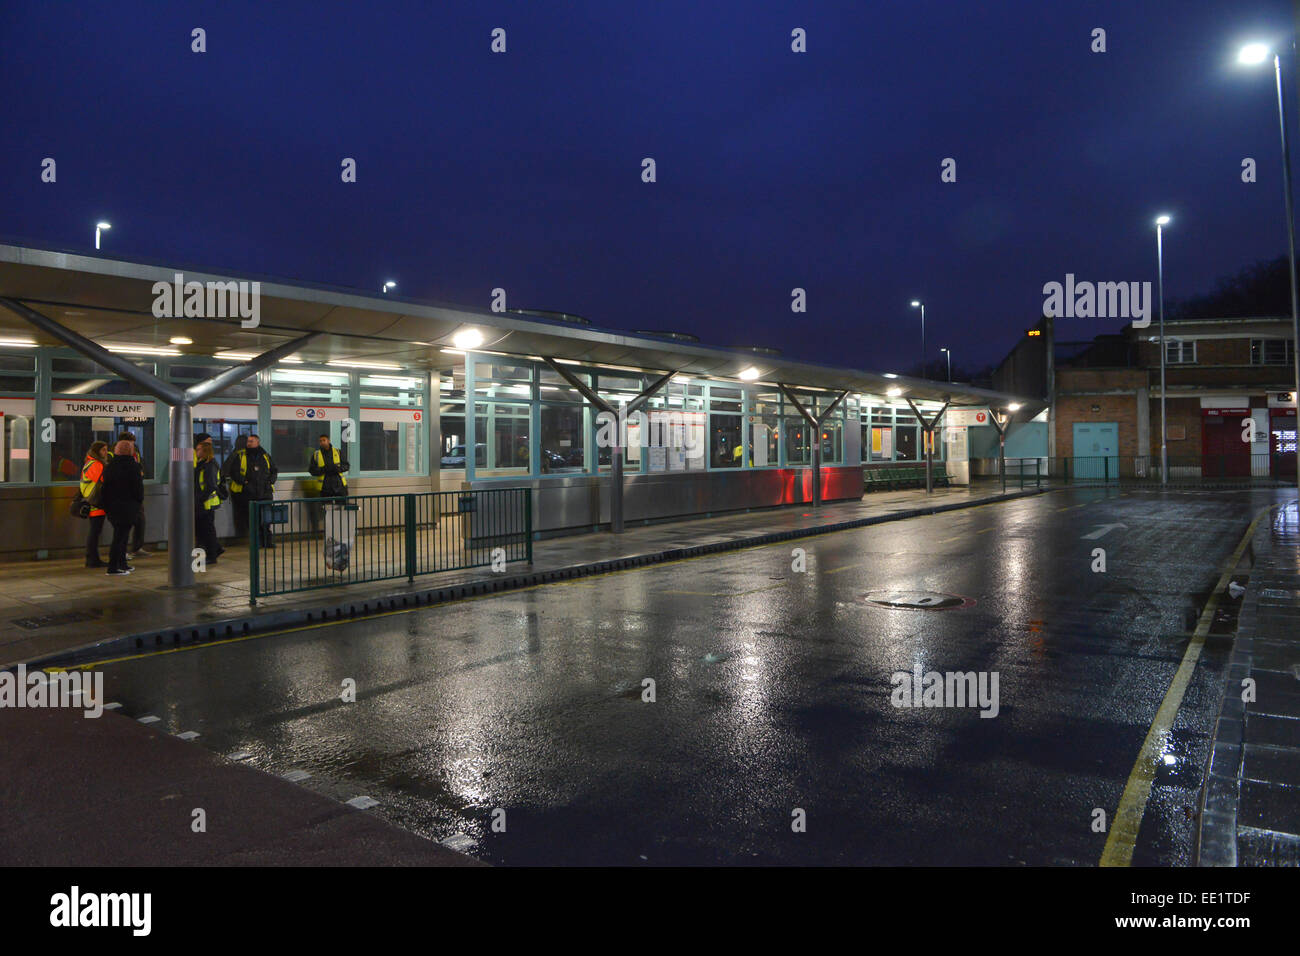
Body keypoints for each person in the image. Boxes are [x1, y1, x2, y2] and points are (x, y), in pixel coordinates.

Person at [223, 433, 278, 547]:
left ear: (258, 442)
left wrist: (271, 481)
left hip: (265, 493)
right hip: (249, 493)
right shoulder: (240, 456)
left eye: (251, 441)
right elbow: (234, 472)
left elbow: (274, 470)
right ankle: (256, 542)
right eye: (248, 441)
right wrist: (244, 482)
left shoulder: (265, 456)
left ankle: (267, 541)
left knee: (266, 519)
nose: (248, 443)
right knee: (253, 521)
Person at [100, 439, 143, 575]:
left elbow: (105, 489)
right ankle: (113, 567)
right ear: (130, 451)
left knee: (119, 535)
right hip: (128, 508)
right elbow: (138, 490)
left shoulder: (110, 466)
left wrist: (107, 506)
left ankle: (122, 564)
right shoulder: (134, 467)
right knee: (121, 538)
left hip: (112, 508)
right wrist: (137, 503)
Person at [112, 432, 150, 557]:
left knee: (140, 520)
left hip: (134, 494)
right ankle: (121, 553)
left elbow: (141, 466)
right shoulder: (113, 453)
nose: (132, 446)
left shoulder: (136, 453)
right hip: (122, 495)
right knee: (123, 527)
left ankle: (137, 547)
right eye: (130, 443)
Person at [193, 433, 224, 565]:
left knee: (206, 530)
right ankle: (214, 550)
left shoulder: (209, 465)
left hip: (206, 503)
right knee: (203, 530)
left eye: (199, 449)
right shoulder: (201, 464)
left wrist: (200, 499)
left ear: (204, 451)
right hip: (202, 502)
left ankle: (212, 555)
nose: (196, 451)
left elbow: (210, 485)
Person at [80, 441, 109, 568]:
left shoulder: (89, 463)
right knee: (94, 533)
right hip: (96, 503)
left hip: (92, 501)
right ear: (97, 451)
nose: (106, 452)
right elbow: (104, 481)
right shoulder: (96, 464)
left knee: (95, 532)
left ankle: (93, 558)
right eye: (103, 450)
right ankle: (92, 559)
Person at [220, 434, 250, 538]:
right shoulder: (245, 455)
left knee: (239, 514)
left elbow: (225, 471)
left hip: (235, 490)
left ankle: (241, 535)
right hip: (246, 490)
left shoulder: (233, 455)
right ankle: (247, 536)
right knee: (248, 514)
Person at [308, 433, 349, 499]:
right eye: (320, 441)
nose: (322, 442)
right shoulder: (316, 454)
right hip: (324, 487)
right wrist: (323, 469)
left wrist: (338, 469)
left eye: (324, 440)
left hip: (339, 485)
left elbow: (346, 466)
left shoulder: (338, 452)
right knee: (325, 507)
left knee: (341, 507)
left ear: (328, 441)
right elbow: (311, 470)